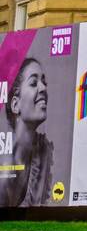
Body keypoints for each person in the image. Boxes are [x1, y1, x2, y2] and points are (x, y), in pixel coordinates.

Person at [0, 57, 54, 208]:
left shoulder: (44, 149)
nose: (43, 88)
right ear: (16, 105)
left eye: (44, 82)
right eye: (33, 83)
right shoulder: (5, 165)